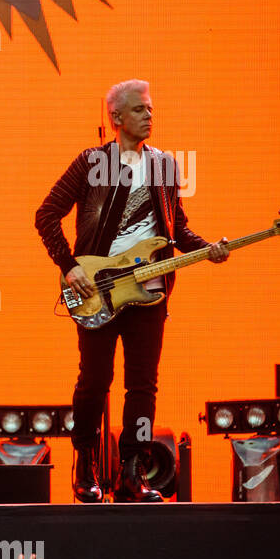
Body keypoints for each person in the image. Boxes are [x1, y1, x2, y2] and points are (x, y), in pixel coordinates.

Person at [35, 80, 228, 503]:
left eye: (151, 109)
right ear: (116, 118)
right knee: (95, 380)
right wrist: (69, 268)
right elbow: (46, 214)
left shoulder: (164, 166)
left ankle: (131, 471)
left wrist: (207, 249)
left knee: (143, 385)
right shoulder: (91, 162)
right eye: (140, 109)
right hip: (99, 288)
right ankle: (85, 464)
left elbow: (176, 228)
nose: (149, 116)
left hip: (150, 293)